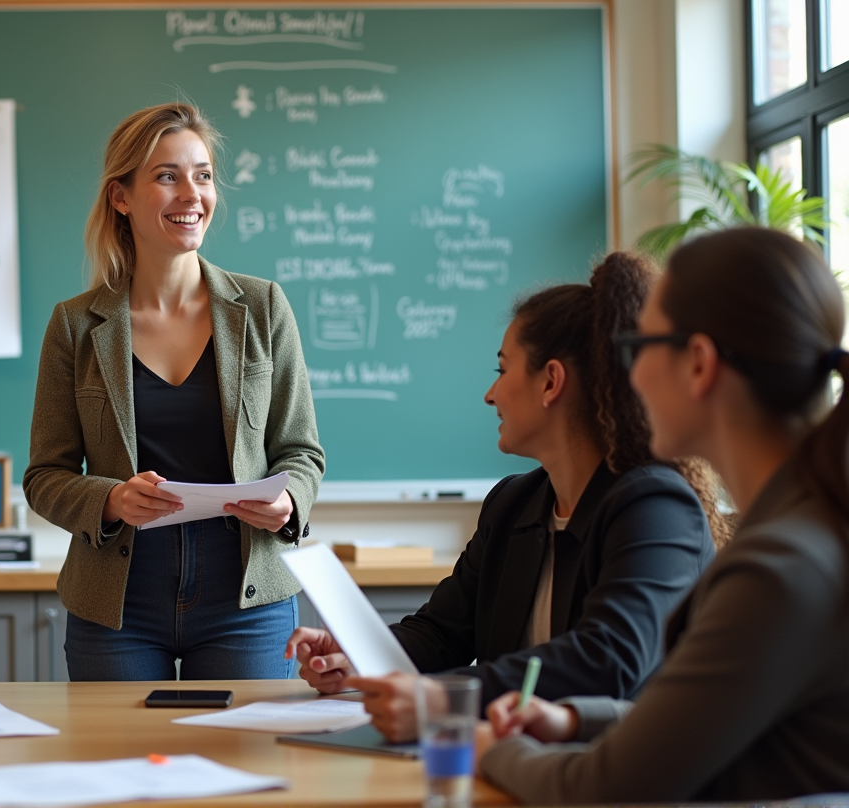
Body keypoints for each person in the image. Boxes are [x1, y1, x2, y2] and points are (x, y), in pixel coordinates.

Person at [286, 252, 726, 740]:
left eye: (503, 368)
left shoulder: (655, 507)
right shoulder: (513, 505)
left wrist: (445, 699)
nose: (490, 394)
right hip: (519, 767)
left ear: (551, 381)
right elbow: (441, 632)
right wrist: (360, 656)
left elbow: (609, 661)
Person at [478, 227, 849, 802]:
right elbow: (714, 723)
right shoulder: (799, 531)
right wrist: (579, 721)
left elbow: (606, 788)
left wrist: (495, 750)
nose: (625, 377)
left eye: (636, 349)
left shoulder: (780, 566)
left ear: (698, 365)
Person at [23, 102, 326, 681]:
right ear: (121, 197)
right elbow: (45, 477)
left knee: (247, 766)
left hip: (245, 592)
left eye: (203, 175)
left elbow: (301, 453)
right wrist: (111, 500)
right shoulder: (75, 325)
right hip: (118, 602)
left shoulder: (261, 307)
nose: (193, 194)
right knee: (122, 769)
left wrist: (289, 503)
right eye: (167, 176)